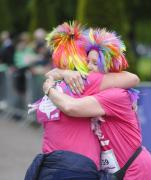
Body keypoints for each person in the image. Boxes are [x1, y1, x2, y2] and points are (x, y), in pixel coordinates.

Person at [25, 22, 140, 180]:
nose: (89, 65)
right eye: (87, 60)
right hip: (74, 167)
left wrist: (57, 76)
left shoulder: (55, 83)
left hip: (50, 164)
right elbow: (132, 78)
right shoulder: (83, 81)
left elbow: (50, 74)